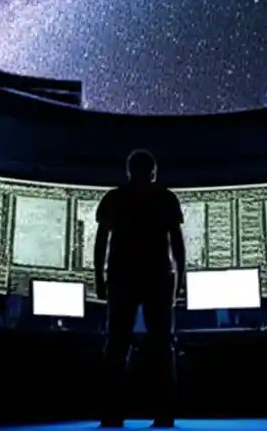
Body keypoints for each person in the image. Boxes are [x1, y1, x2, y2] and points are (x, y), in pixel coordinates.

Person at [94, 149, 185, 428]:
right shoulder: (166, 198)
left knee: (116, 345)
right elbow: (177, 244)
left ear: (128, 171)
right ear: (154, 171)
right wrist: (180, 282)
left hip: (122, 278)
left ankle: (112, 415)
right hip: (158, 279)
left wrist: (99, 277)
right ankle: (164, 415)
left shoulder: (114, 198)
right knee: (162, 346)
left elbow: (101, 242)